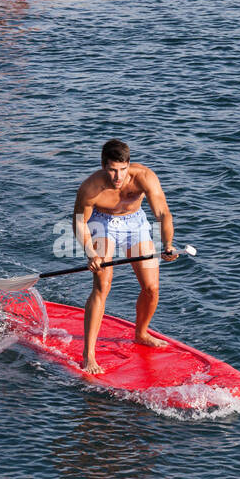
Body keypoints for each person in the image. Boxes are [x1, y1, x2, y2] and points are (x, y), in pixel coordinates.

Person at [73, 139, 179, 374]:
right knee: (102, 284)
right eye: (111, 169)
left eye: (122, 169)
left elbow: (163, 213)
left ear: (128, 165)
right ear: (103, 166)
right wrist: (90, 253)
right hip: (102, 223)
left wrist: (168, 244)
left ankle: (141, 333)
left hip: (135, 224)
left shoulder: (144, 177)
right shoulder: (91, 188)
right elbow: (79, 223)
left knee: (151, 288)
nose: (117, 176)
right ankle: (89, 355)